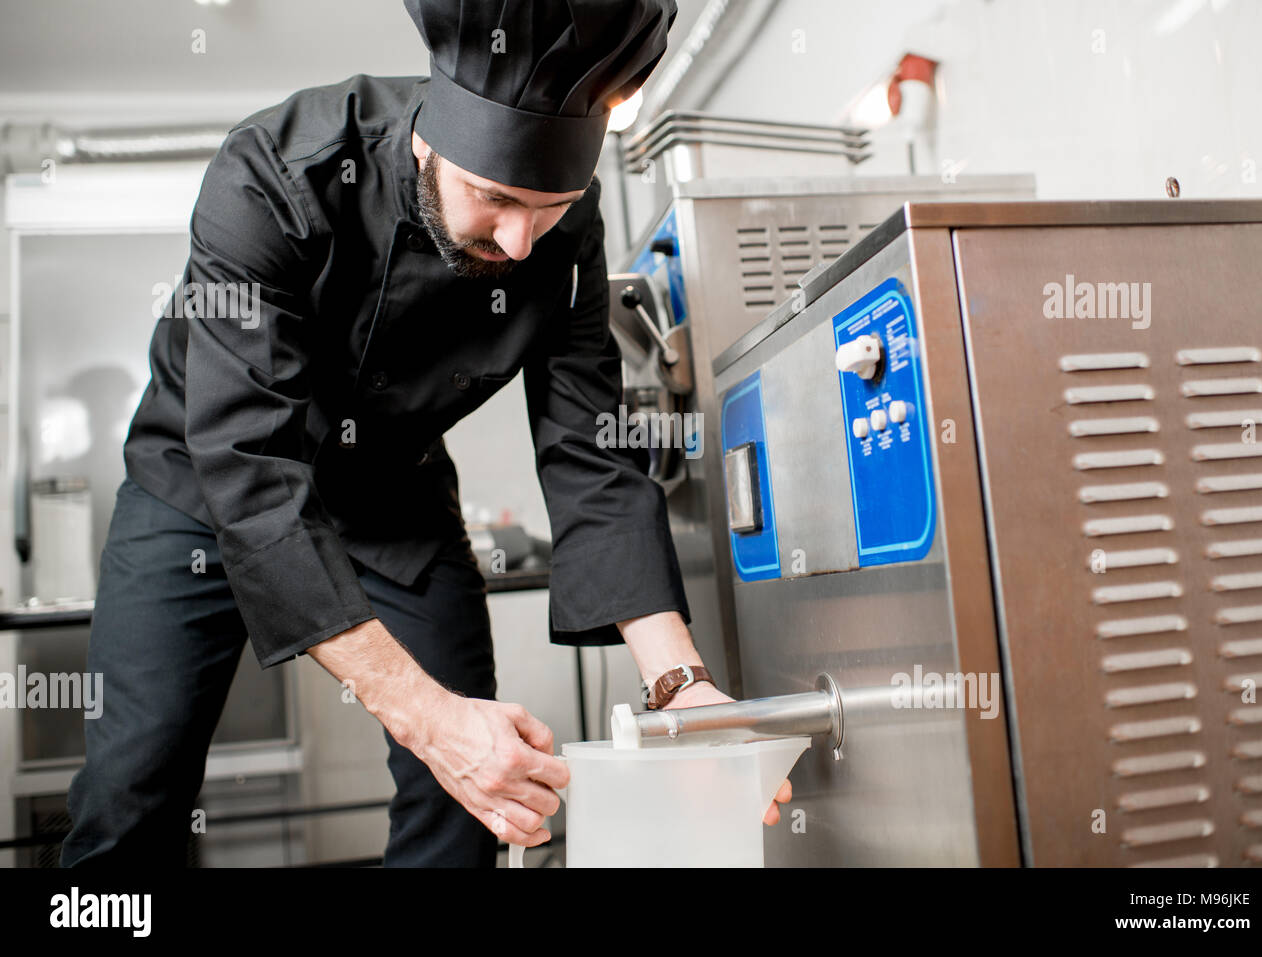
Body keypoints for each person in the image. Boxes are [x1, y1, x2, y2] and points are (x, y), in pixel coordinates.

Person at [62, 0, 790, 868]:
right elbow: (249, 476)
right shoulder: (269, 177)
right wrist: (428, 718)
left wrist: (683, 686)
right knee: (130, 790)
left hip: (392, 492)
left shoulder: (568, 239)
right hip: (200, 486)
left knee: (467, 798)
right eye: (497, 198)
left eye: (550, 206)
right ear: (426, 145)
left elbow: (589, 450)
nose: (522, 242)